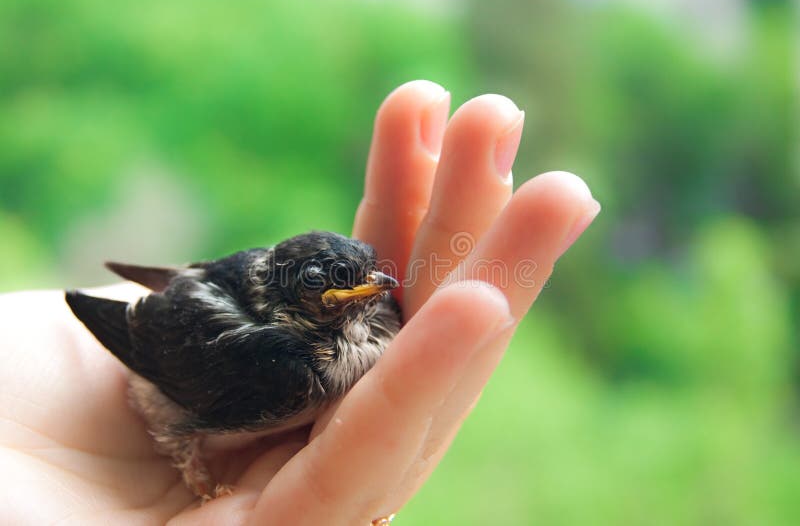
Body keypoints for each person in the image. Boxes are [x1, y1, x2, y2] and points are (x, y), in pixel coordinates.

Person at [0, 80, 599, 525]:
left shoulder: (377, 316)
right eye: (329, 284)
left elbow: (213, 275)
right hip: (162, 345)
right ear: (293, 292)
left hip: (197, 295)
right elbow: (195, 324)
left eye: (370, 276)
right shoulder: (287, 367)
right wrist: (197, 476)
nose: (377, 290)